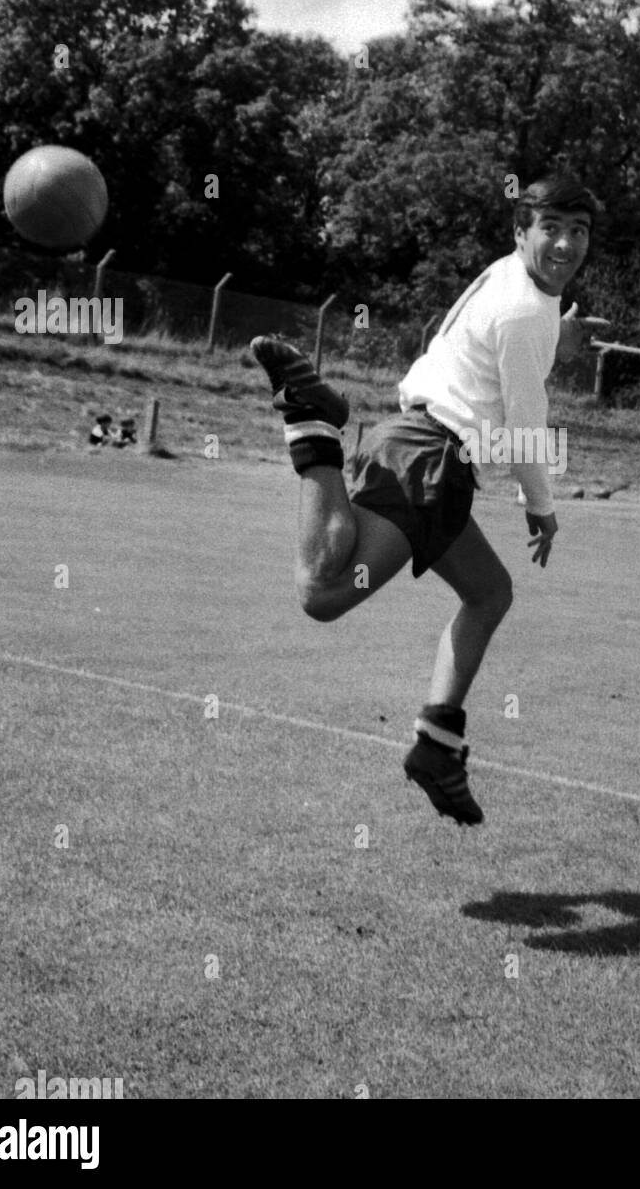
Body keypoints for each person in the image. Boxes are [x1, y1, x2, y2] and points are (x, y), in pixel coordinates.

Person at [250, 175, 604, 826]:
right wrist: (542, 506)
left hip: (420, 445)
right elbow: (528, 420)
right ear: (520, 231)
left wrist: (561, 338)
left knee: (490, 592)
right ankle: (313, 426)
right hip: (431, 460)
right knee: (323, 594)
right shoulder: (531, 311)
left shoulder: (514, 282)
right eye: (550, 226)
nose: (565, 242)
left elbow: (503, 343)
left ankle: (437, 743)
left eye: (578, 230)